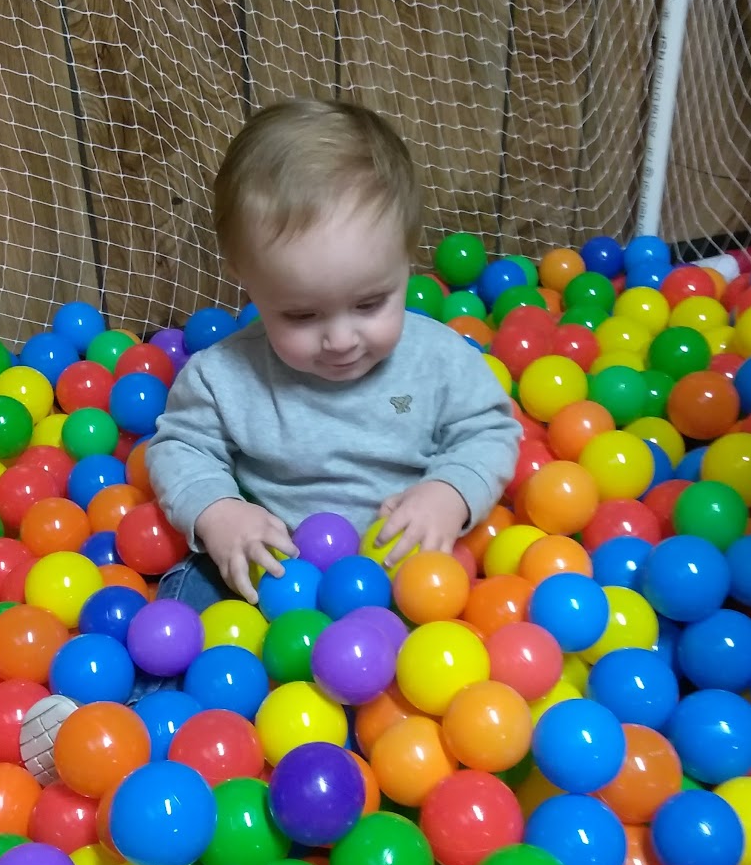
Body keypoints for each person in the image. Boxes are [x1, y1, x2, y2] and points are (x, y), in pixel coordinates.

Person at [146, 98, 521, 608]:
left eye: (370, 303)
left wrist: (449, 495)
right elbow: (179, 447)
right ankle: (142, 693)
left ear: (407, 259)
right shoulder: (224, 377)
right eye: (301, 315)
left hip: (406, 562)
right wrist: (220, 513)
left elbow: (490, 431)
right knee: (191, 595)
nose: (342, 340)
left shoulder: (440, 361)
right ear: (247, 280)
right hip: (274, 571)